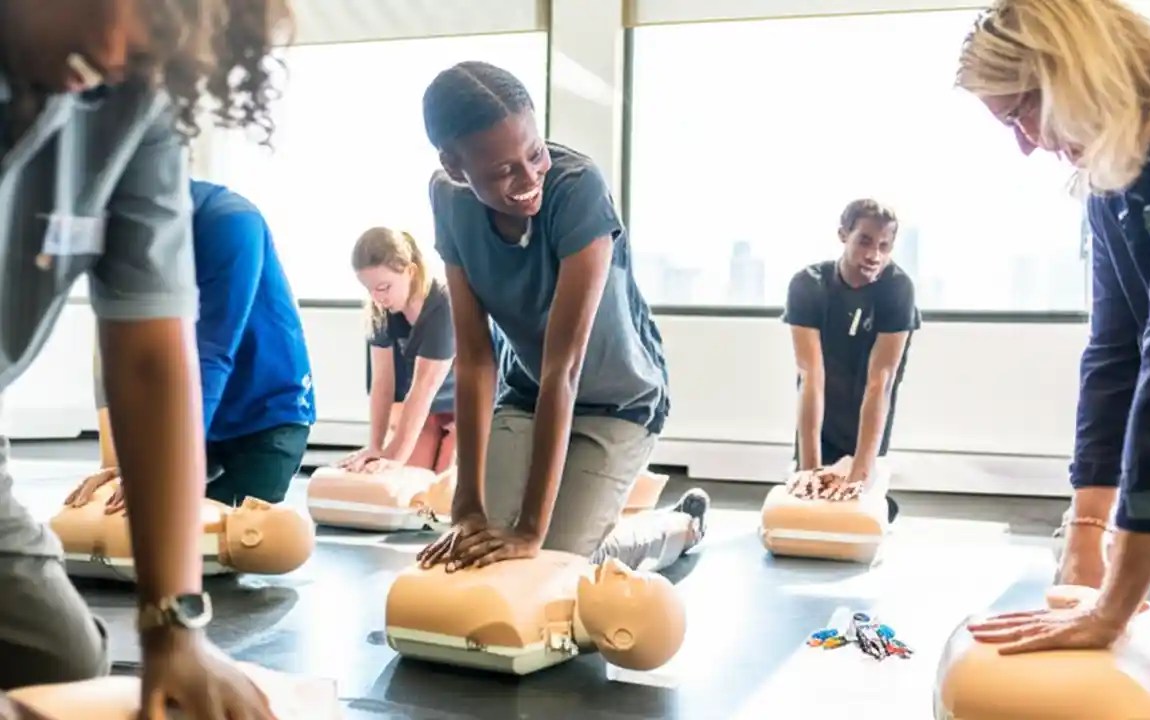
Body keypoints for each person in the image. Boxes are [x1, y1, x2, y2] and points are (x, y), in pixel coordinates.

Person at [953, 1, 1150, 709]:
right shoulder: (1115, 190)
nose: (1026, 145)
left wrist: (1112, 608)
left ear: (1075, 68)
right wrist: (1085, 540)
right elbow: (1115, 359)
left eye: (1022, 112)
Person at [0, 1, 293, 719]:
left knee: (62, 666)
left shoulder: (134, 103)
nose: (112, 51)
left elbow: (151, 356)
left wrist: (174, 623)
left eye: (151, 42)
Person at [413, 61, 708, 575]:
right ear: (456, 168)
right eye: (503, 171)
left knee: (550, 559)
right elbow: (476, 360)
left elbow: (563, 369)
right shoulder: (448, 198)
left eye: (535, 153)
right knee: (482, 547)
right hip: (527, 394)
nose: (530, 179)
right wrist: (467, 504)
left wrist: (530, 531)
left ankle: (678, 528)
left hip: (618, 401)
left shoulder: (577, 188)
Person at [84, 180, 316, 507]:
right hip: (193, 415)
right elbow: (120, 353)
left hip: (266, 418)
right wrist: (120, 464)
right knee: (132, 513)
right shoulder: (117, 235)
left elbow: (212, 355)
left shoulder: (232, 221)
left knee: (224, 527)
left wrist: (161, 467)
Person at [782, 199, 918, 519]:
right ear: (844, 234)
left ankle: (874, 498)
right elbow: (811, 376)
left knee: (857, 504)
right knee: (808, 508)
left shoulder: (898, 289)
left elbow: (880, 382)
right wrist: (810, 472)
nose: (874, 255)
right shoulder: (808, 285)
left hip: (868, 415)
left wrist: (859, 477)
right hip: (822, 416)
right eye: (865, 241)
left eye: (884, 246)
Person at [343, 227, 457, 473]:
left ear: (411, 271)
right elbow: (382, 382)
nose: (378, 298)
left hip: (467, 404)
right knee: (411, 477)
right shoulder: (379, 311)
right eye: (370, 289)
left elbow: (424, 387)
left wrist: (392, 460)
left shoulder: (443, 305)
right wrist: (376, 447)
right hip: (427, 410)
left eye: (384, 287)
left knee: (445, 479)